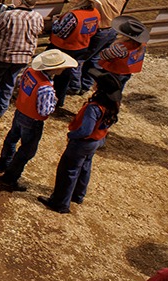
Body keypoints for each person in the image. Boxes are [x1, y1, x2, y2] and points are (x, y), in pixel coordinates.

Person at [0, 48, 77, 192]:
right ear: (55, 69)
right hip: (32, 120)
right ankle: (10, 177)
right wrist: (53, 102)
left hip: (21, 111)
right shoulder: (46, 88)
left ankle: (3, 164)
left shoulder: (30, 71)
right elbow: (44, 111)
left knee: (12, 138)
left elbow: (20, 84)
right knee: (27, 151)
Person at [46, 74, 122, 212]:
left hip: (82, 143)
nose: (94, 83)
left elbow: (86, 130)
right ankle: (78, 195)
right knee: (85, 167)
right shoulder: (111, 105)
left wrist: (71, 135)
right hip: (97, 141)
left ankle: (60, 203)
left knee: (68, 171)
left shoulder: (93, 108)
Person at [49, 0, 104, 107]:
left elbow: (60, 32)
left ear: (82, 0)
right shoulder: (95, 13)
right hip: (81, 46)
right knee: (66, 75)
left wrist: (55, 22)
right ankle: (59, 100)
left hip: (65, 47)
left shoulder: (74, 15)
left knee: (56, 73)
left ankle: (51, 99)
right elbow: (93, 31)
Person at [96, 15, 151, 88]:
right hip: (126, 72)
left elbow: (103, 55)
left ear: (126, 36)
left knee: (107, 89)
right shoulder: (141, 45)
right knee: (118, 87)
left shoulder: (120, 47)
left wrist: (115, 42)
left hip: (113, 72)